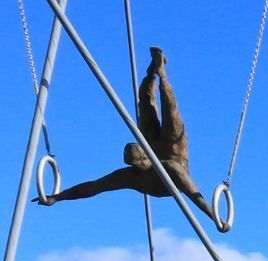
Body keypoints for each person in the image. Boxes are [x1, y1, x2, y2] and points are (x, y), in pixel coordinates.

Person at [42, 48, 221, 225]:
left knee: (168, 109)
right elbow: (94, 187)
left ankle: (160, 75)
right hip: (165, 155)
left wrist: (214, 217)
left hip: (173, 151)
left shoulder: (172, 168)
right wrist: (58, 197)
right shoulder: (130, 176)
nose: (132, 164)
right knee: (146, 103)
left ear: (143, 154)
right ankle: (153, 74)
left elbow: (194, 195)